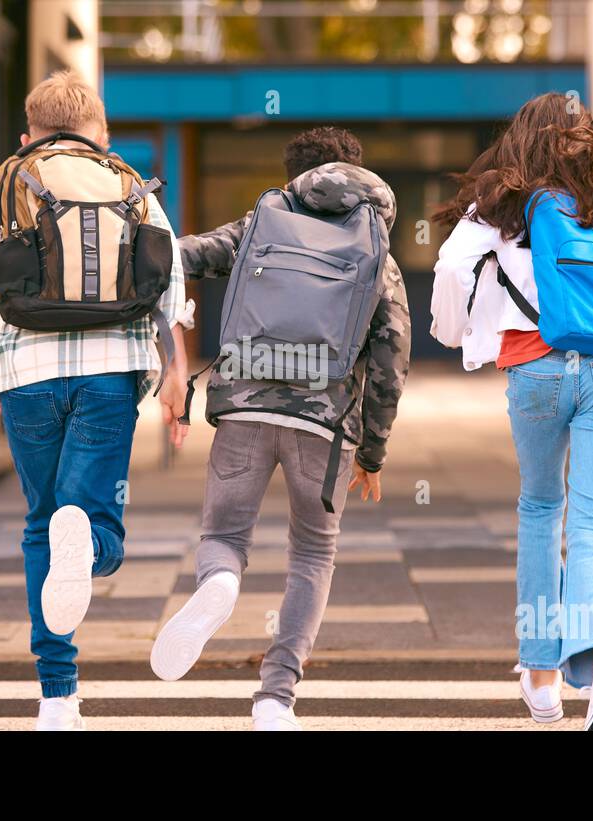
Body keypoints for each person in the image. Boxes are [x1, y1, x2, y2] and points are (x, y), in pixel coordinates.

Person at [0, 70, 189, 730]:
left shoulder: (4, 181)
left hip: (25, 374)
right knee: (95, 520)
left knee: (43, 520)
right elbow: (172, 290)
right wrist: (174, 377)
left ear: (28, 133)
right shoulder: (130, 183)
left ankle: (57, 695)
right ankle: (94, 545)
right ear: (100, 132)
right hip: (112, 371)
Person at [431, 93, 593, 730]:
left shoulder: (498, 206)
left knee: (540, 510)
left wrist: (465, 324)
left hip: (536, 373)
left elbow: (446, 294)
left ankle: (542, 678)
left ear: (518, 138)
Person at [150, 127, 411, 731]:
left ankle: (220, 582)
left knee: (224, 534)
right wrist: (372, 451)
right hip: (324, 426)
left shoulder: (261, 223)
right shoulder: (377, 248)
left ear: (296, 174)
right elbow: (391, 358)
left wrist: (130, 239)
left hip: (244, 406)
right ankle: (275, 698)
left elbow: (185, 255)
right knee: (313, 553)